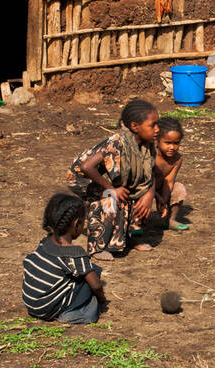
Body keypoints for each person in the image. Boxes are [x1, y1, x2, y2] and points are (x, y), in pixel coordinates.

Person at [66, 98, 158, 258]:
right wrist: (111, 189)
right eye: (152, 125)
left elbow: (150, 173)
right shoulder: (117, 143)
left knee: (135, 194)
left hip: (110, 179)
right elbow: (86, 167)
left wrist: (149, 194)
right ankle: (98, 246)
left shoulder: (148, 145)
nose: (157, 129)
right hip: (83, 179)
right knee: (111, 199)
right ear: (135, 127)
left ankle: (129, 238)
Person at [22, 192, 107, 324]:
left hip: (32, 304)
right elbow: (96, 286)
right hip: (47, 308)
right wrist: (102, 301)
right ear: (76, 224)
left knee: (85, 271)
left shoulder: (45, 242)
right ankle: (72, 314)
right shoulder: (75, 253)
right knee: (93, 276)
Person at [154, 116, 190, 231]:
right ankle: (135, 222)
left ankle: (170, 220)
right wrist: (156, 196)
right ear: (157, 141)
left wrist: (163, 201)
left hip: (161, 187)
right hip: (145, 187)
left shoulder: (177, 159)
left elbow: (169, 181)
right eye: (167, 143)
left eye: (176, 143)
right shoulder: (150, 155)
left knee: (178, 188)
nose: (172, 147)